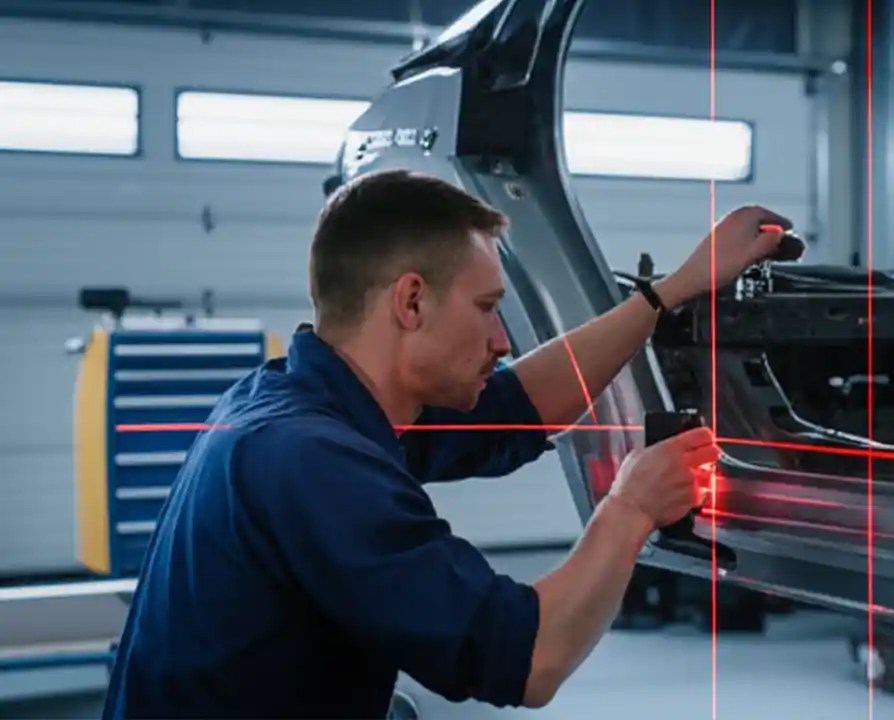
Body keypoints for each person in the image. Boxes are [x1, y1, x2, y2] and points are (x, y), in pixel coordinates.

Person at [101, 168, 792, 718]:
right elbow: (530, 658)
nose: (501, 339)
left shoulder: (298, 402)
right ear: (410, 302)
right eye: (488, 308)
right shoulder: (310, 460)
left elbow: (519, 405)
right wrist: (631, 507)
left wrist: (670, 291)